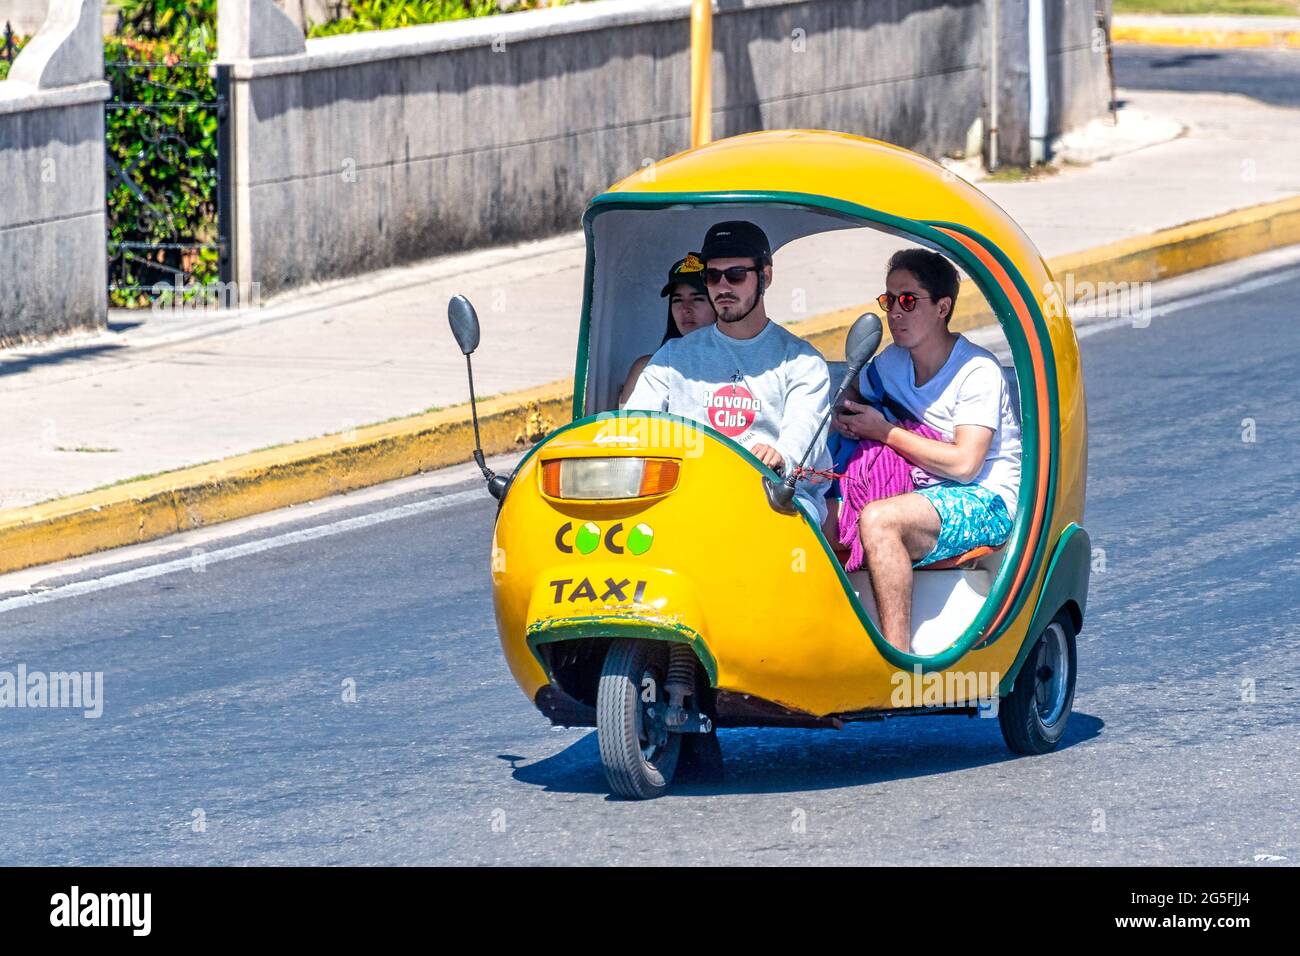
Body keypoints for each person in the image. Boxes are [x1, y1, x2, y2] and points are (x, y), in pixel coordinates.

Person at [831, 248, 1022, 653]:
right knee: (808, 517)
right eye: (889, 301)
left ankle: (895, 658)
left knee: (880, 520)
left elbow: (966, 464)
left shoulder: (977, 370)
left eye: (908, 300)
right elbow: (850, 399)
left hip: (983, 500)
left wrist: (884, 432)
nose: (894, 313)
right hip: (919, 491)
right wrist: (844, 409)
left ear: (942, 307)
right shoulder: (890, 363)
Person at [625, 221, 832, 523]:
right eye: (712, 276)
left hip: (776, 499)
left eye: (735, 275)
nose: (722, 287)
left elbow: (803, 432)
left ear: (766, 277)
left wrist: (781, 456)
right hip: (690, 497)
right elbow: (635, 427)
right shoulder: (672, 357)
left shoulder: (802, 361)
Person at [618, 253, 716, 406]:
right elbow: (625, 428)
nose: (685, 309)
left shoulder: (738, 370)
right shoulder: (648, 368)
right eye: (677, 300)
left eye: (697, 298)